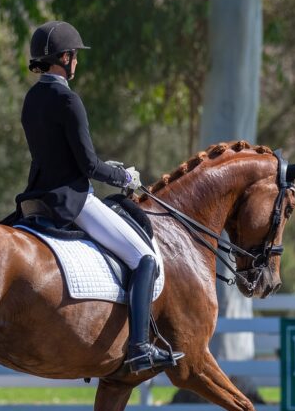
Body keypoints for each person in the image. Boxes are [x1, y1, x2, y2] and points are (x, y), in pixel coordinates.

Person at [16, 20, 183, 373]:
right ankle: (139, 347)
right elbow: (88, 165)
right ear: (64, 57)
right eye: (74, 56)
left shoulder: (31, 99)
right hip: (72, 200)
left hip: (37, 195)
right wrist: (124, 176)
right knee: (145, 259)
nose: (77, 62)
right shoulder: (68, 99)